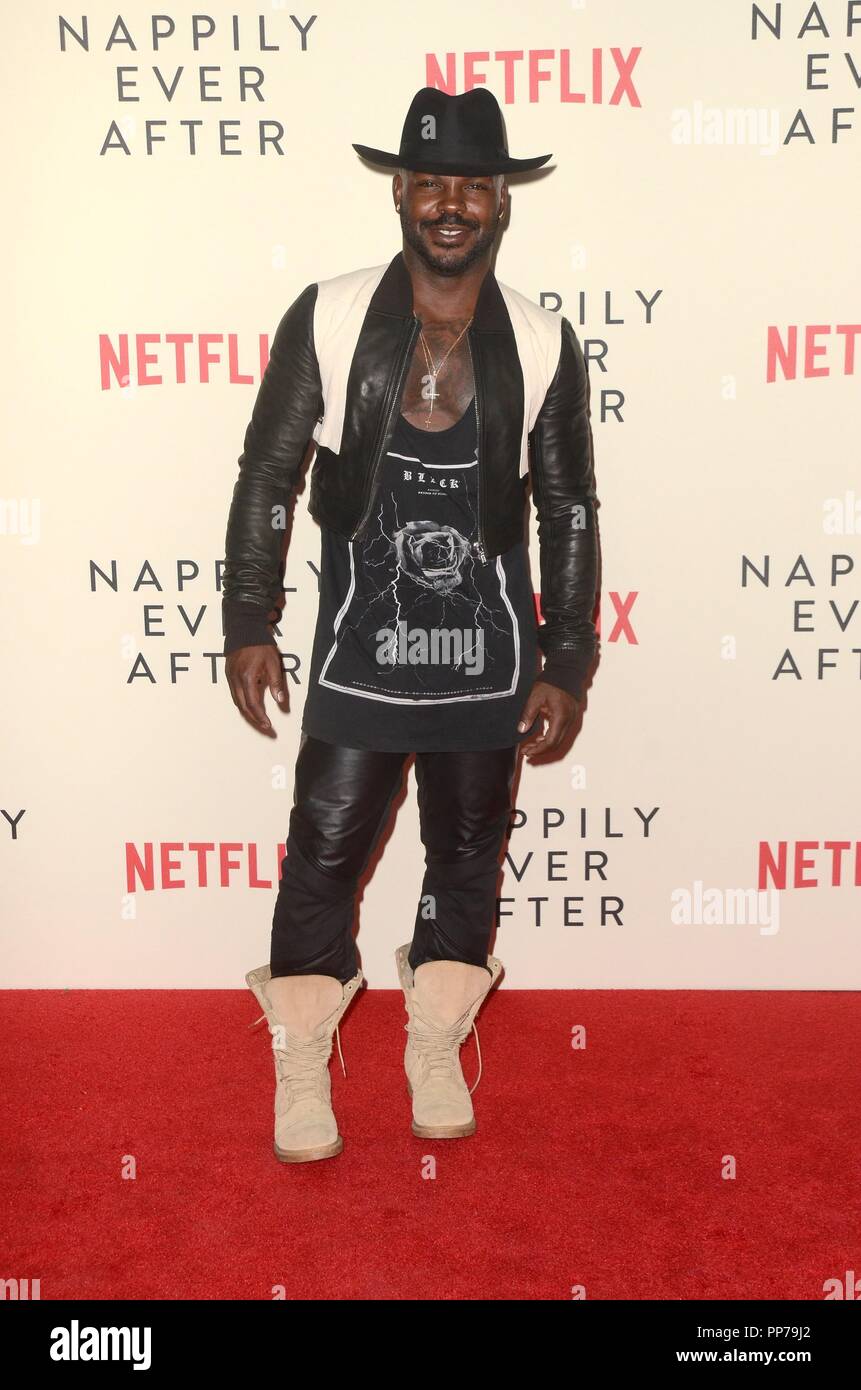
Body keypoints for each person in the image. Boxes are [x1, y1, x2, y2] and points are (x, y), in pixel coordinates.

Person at [221, 86, 600, 1163]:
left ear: (499, 204)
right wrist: (250, 611)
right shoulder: (332, 313)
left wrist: (567, 654)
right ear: (400, 187)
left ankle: (433, 1038)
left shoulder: (539, 337)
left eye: (472, 187)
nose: (450, 203)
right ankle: (304, 1052)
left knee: (469, 853)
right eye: (431, 180)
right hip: (359, 646)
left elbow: (568, 505)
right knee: (325, 854)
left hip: (487, 656)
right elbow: (269, 471)